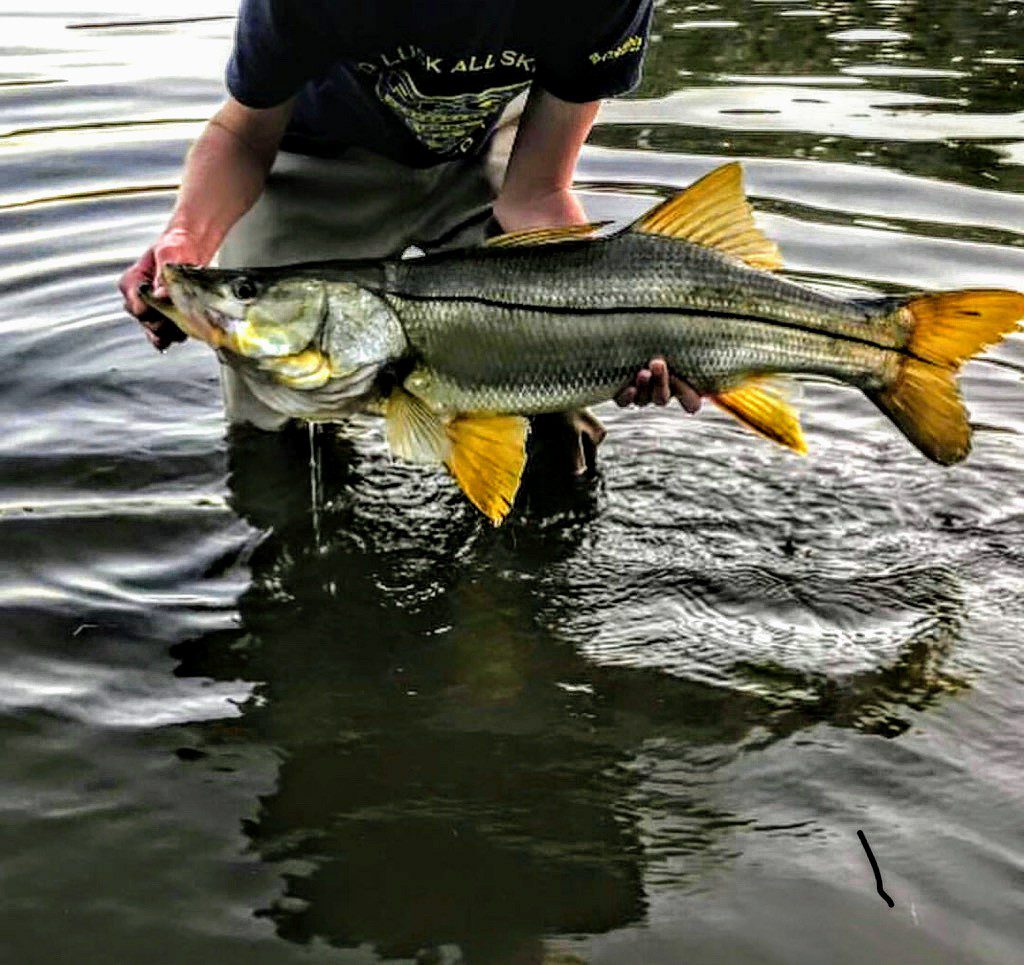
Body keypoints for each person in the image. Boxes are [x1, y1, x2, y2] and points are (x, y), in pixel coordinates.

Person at [119, 0, 701, 468]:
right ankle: (289, 568)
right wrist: (187, 239)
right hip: (321, 159)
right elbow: (244, 136)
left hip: (488, 154)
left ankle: (531, 583)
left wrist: (635, 326)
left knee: (556, 408)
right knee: (273, 405)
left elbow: (537, 193)